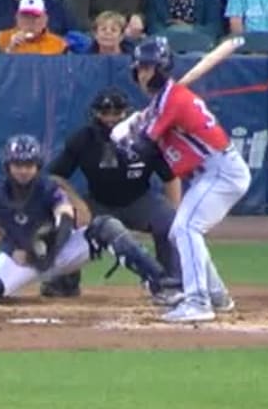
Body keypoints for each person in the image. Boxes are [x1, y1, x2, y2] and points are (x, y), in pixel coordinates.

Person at [112, 36, 250, 322]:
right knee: (183, 229)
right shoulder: (165, 101)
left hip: (221, 171)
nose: (143, 75)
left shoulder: (171, 101)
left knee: (186, 228)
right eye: (140, 69)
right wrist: (134, 123)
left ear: (162, 68)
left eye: (149, 69)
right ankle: (217, 295)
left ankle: (199, 302)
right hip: (212, 172)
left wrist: (126, 134)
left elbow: (143, 149)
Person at [0, 133, 180, 304]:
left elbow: (65, 212)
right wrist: (12, 250)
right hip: (24, 259)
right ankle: (48, 281)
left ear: (37, 166)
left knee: (106, 227)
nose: (23, 171)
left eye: (29, 165)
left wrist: (53, 242)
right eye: (18, 165)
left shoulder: (48, 187)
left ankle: (161, 282)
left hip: (61, 250)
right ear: (8, 166)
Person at [42, 87, 184, 301]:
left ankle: (169, 283)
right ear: (95, 113)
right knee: (65, 218)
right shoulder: (83, 139)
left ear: (126, 113)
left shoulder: (146, 138)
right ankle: (64, 282)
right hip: (98, 202)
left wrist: (176, 215)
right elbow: (54, 176)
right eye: (104, 112)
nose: (110, 118)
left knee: (169, 223)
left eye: (116, 112)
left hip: (139, 200)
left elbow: (171, 177)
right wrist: (77, 202)